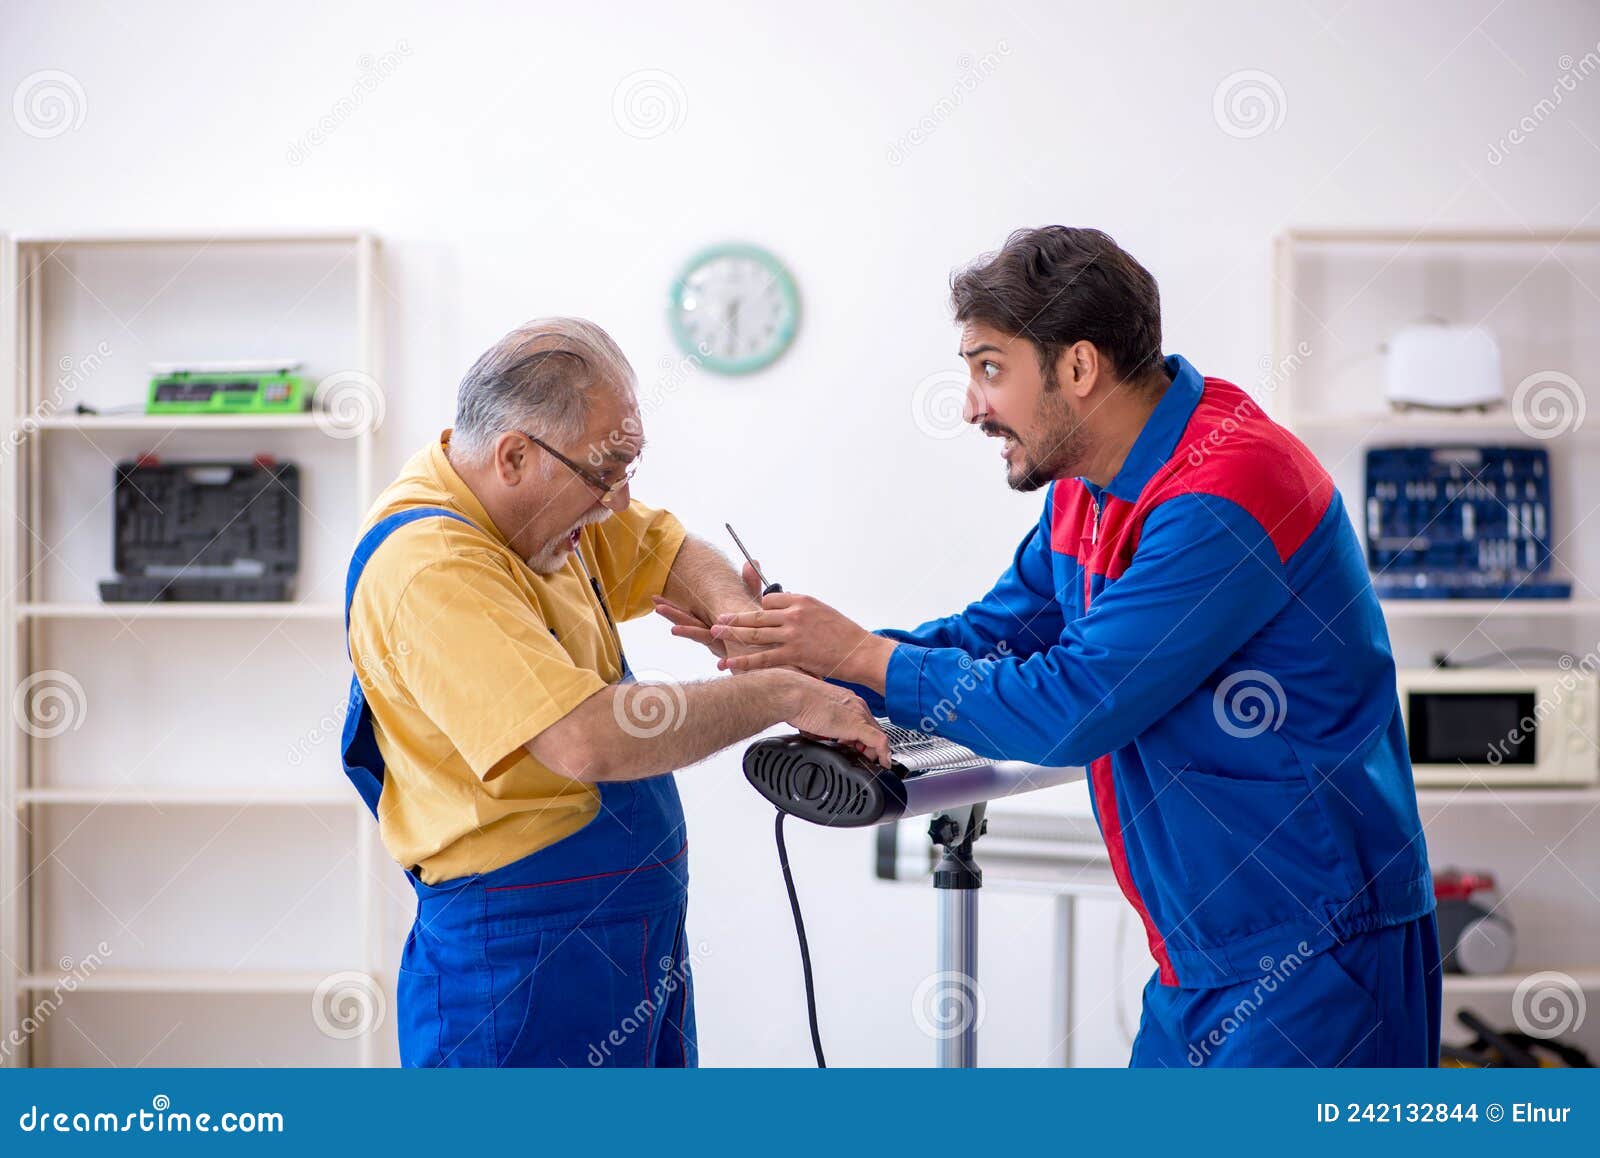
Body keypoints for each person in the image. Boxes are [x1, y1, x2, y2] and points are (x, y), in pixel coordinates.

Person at [668, 227, 1442, 1068]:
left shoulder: (1230, 487)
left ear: (1078, 368)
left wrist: (857, 655)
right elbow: (989, 641)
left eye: (990, 369)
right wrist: (803, 650)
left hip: (1314, 949)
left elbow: (1078, 703)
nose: (970, 406)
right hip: (1198, 953)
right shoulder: (1088, 493)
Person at [340, 316, 888, 1068]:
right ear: (514, 456)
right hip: (522, 961)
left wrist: (738, 620)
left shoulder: (543, 509)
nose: (618, 500)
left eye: (630, 467)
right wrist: (781, 696)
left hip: (634, 928)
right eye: (606, 472)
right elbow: (582, 739)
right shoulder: (430, 568)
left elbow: (672, 550)